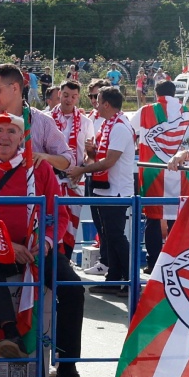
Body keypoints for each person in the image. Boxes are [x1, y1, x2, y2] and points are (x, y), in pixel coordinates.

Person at [0, 63, 89, 377]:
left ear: (16, 88)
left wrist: (38, 157)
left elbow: (69, 161)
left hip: (39, 235)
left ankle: (67, 368)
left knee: (73, 289)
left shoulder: (41, 123)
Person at [0, 112, 67, 358]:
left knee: (72, 288)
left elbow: (59, 214)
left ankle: (67, 365)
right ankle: (12, 336)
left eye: (11, 131)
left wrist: (46, 243)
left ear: (22, 136)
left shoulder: (40, 170)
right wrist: (7, 246)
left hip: (39, 249)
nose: (4, 136)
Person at [68, 87, 134, 297]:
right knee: (108, 236)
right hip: (105, 190)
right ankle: (114, 280)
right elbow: (102, 156)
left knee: (115, 236)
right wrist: (90, 153)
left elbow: (110, 161)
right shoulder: (108, 125)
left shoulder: (120, 127)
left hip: (117, 192)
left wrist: (82, 169)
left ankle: (130, 280)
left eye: (98, 100)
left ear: (106, 104)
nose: (95, 104)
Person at [132, 80, 189, 274]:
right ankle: (175, 264)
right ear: (174, 93)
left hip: (153, 169)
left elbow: (129, 131)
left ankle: (153, 264)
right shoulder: (186, 111)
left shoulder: (145, 111)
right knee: (177, 219)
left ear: (156, 93)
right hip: (182, 171)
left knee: (153, 219)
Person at [50, 80, 96, 256]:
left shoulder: (85, 122)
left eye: (74, 96)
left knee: (71, 224)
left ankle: (65, 262)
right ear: (59, 95)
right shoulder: (45, 118)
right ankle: (50, 263)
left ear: (78, 98)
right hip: (52, 177)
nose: (69, 100)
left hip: (75, 179)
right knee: (51, 221)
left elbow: (90, 154)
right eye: (66, 95)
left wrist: (83, 168)